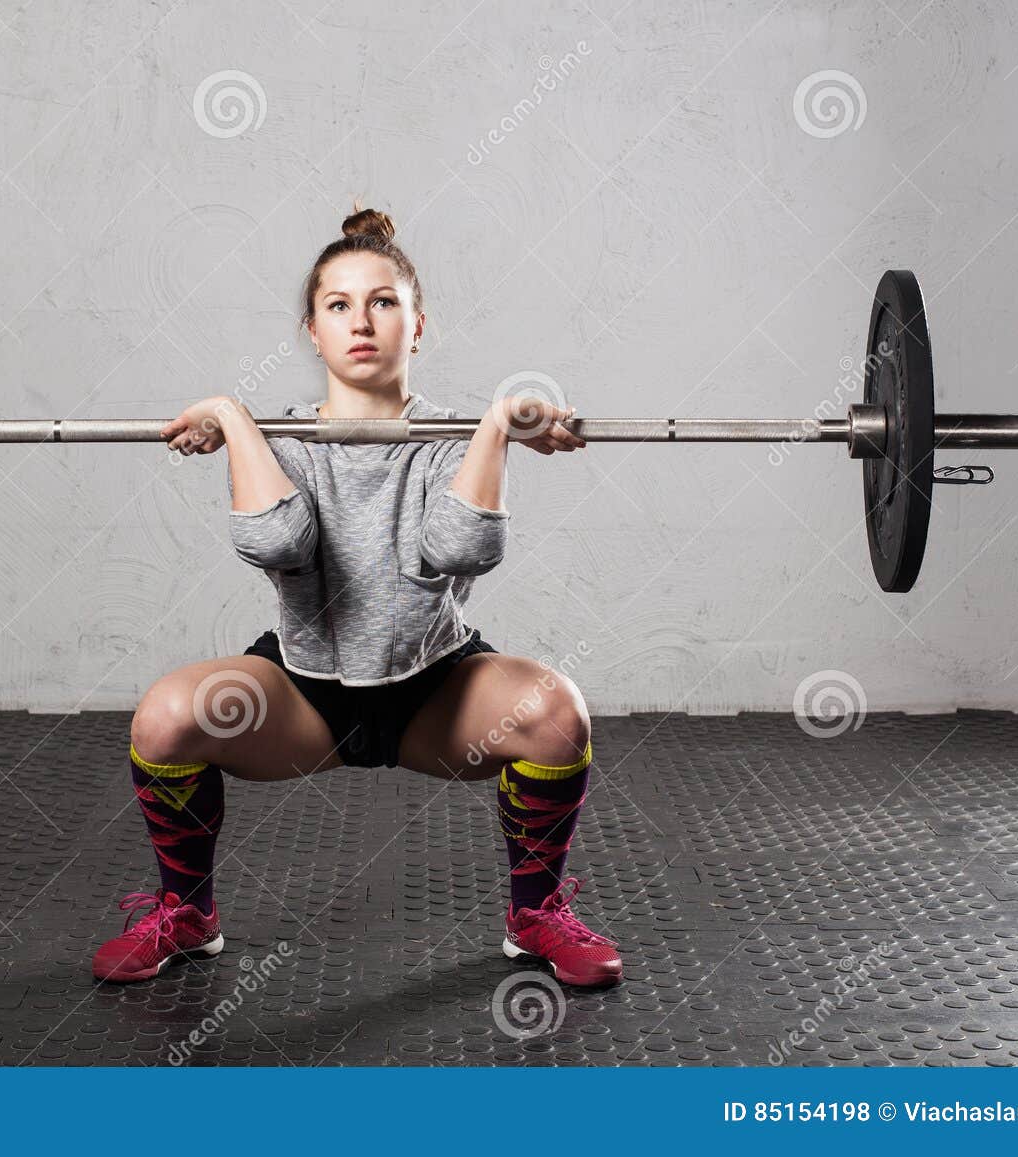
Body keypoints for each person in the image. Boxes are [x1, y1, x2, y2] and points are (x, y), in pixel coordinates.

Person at [92, 204, 622, 988]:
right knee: (164, 717)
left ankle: (535, 913)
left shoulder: (453, 436)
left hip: (434, 689)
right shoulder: (278, 440)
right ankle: (188, 911)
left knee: (555, 713)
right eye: (338, 305)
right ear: (313, 329)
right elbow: (279, 545)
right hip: (307, 695)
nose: (361, 321)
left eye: (383, 302)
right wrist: (235, 420)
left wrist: (499, 425)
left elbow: (462, 550)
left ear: (418, 325)